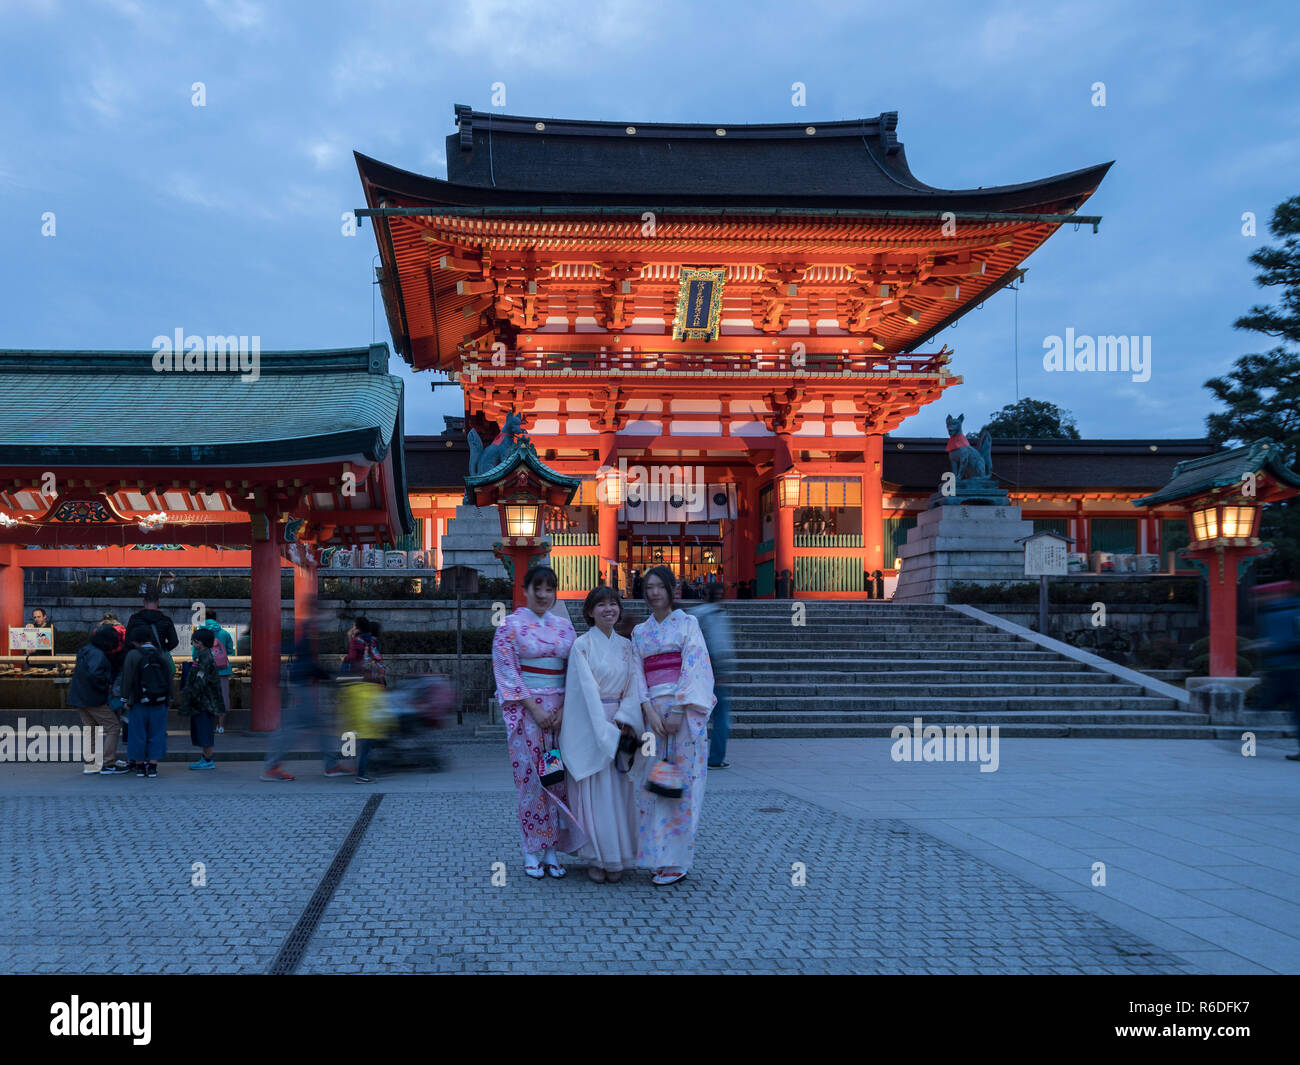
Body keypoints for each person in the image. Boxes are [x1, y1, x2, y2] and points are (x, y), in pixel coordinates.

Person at [492, 565, 583, 879]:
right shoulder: (509, 626)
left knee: (558, 780)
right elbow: (508, 673)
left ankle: (552, 851)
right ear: (525, 589)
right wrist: (535, 709)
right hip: (528, 713)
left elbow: (575, 671)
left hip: (560, 713)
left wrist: (565, 710)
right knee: (531, 783)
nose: (543, 595)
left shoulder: (565, 628)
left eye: (549, 589)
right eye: (537, 588)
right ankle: (531, 850)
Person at [633, 565, 715, 885]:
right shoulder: (640, 632)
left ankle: (678, 860)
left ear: (671, 590)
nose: (654, 592)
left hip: (682, 713)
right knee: (654, 785)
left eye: (659, 587)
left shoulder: (688, 624)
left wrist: (680, 708)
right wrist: (649, 712)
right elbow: (637, 674)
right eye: (648, 587)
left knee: (683, 786)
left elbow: (695, 666)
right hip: (652, 713)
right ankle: (659, 855)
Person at [561, 586, 645, 883]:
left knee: (619, 795)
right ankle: (596, 856)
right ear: (589, 612)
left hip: (621, 722)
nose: (609, 610)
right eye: (601, 605)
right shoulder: (581, 646)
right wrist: (603, 731)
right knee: (596, 793)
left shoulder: (627, 646)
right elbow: (582, 691)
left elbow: (636, 685)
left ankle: (619, 855)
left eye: (613, 604)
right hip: (592, 724)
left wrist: (626, 720)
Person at [262, 619, 354, 781]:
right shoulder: (306, 641)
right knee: (290, 731)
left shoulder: (304, 641)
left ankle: (331, 766)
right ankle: (271, 767)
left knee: (313, 728)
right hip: (301, 692)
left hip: (300, 689)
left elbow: (306, 662)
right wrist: (333, 677)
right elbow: (310, 665)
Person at [68, 625, 128, 774]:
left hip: (79, 697)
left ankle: (91, 763)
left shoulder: (85, 649)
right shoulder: (98, 654)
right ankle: (108, 763)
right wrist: (107, 684)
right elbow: (96, 676)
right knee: (113, 727)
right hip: (93, 698)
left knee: (91, 730)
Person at [1251, 581, 1300, 762]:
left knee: (1264, 707)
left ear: (1279, 594)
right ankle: (1245, 742)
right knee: (1264, 707)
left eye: (1265, 595)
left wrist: (1272, 645)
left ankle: (1245, 742)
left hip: (1291, 668)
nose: (1261, 599)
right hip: (1278, 667)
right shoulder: (1270, 613)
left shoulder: (1293, 612)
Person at [689, 583, 735, 769]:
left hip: (698, 671)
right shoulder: (717, 615)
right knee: (721, 717)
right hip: (715, 673)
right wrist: (723, 670)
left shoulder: (695, 614)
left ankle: (688, 752)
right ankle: (716, 757)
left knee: (693, 714)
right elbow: (720, 644)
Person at [120, 624, 172, 778]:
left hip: (138, 701)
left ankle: (140, 766)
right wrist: (169, 699)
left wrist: (125, 699)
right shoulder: (162, 654)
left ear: (136, 641)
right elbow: (169, 678)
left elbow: (127, 679)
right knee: (157, 733)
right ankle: (153, 766)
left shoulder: (133, 655)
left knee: (137, 733)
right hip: (160, 701)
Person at [180, 628, 223, 769]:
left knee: (205, 731)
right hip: (205, 701)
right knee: (203, 730)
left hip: (203, 702)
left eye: (195, 641)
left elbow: (201, 679)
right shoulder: (205, 655)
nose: (194, 643)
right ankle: (205, 758)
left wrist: (191, 693)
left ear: (201, 643)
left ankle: (207, 759)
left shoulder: (204, 658)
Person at [127, 587, 179, 678]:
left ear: (143, 602)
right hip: (159, 659)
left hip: (139, 659)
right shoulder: (166, 620)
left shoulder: (135, 619)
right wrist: (161, 648)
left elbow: (128, 641)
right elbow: (174, 641)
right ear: (158, 602)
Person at [202, 610, 235, 734]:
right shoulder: (224, 633)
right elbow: (230, 651)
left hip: (206, 671)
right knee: (222, 698)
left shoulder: (200, 634)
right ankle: (220, 726)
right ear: (216, 619)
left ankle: (207, 726)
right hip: (223, 670)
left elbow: (195, 653)